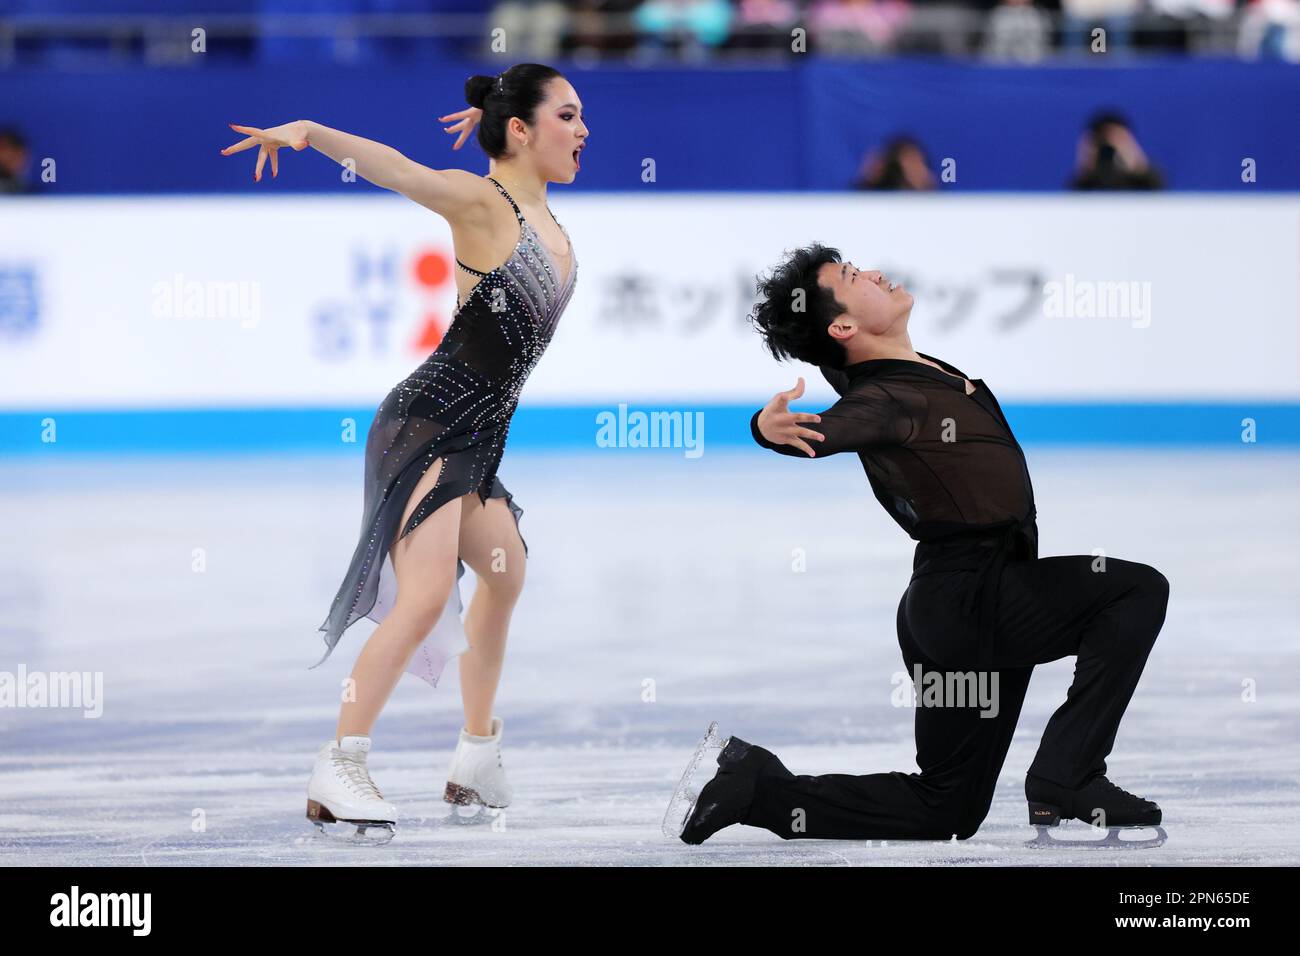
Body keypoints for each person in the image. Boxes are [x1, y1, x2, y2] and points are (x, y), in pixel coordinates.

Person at [673, 243, 1170, 845]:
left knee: (947, 808)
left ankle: (762, 790)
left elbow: (837, 367)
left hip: (950, 612)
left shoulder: (903, 367)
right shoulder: (884, 399)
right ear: (844, 325)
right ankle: (1070, 775)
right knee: (1135, 590)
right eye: (855, 277)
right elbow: (831, 430)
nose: (876, 272)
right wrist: (767, 429)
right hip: (974, 598)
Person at [221, 63, 588, 842]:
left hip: (477, 435)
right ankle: (339, 762)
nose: (583, 129)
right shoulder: (482, 204)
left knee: (505, 570)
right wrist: (311, 133)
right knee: (423, 599)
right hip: (427, 421)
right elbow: (396, 169)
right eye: (566, 115)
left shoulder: (546, 220)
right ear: (523, 130)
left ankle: (477, 753)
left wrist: (496, 123)